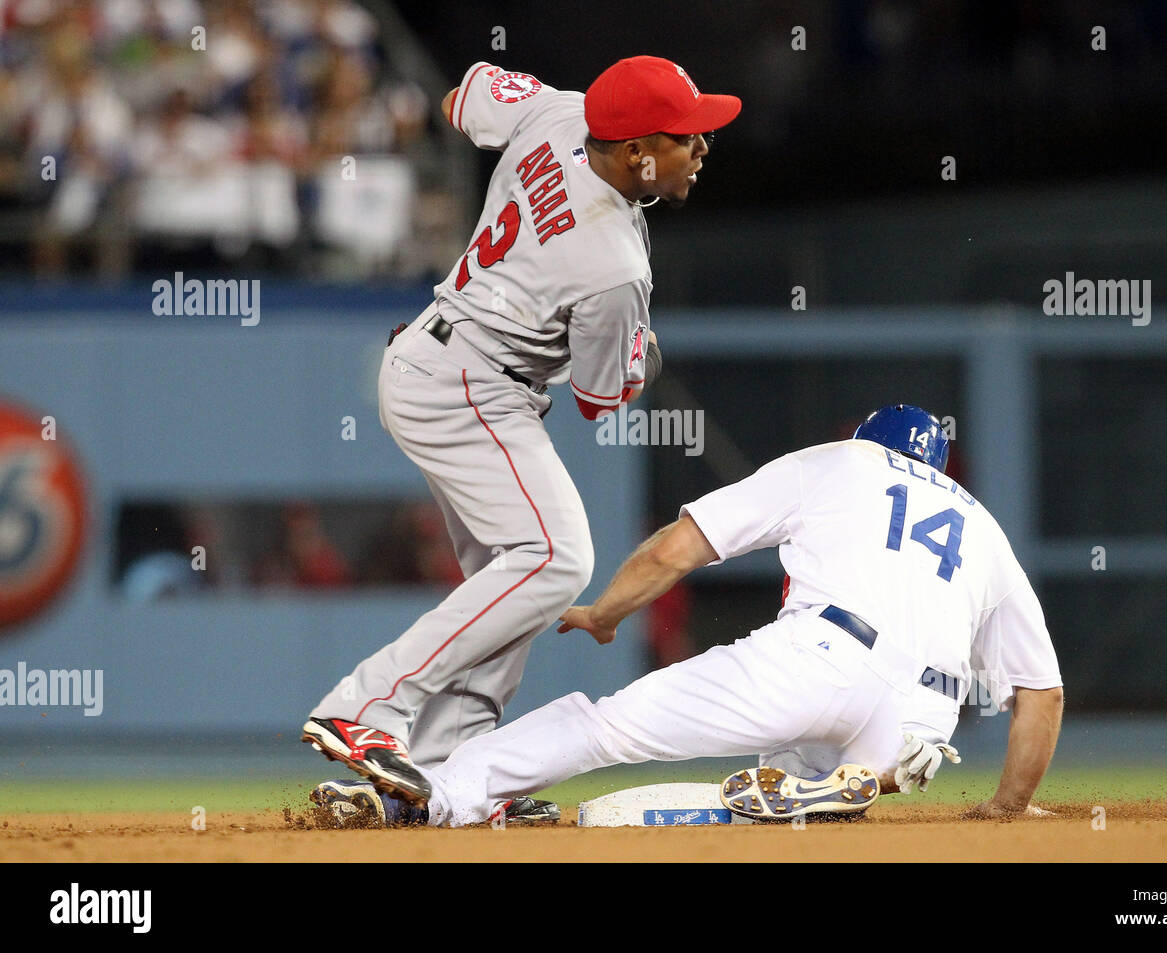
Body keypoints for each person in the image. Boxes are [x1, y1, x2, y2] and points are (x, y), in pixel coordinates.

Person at [301, 56, 742, 814]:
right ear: (637, 152)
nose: (703, 149)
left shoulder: (564, 112)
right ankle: (367, 709)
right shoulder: (613, 267)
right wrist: (638, 355)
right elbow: (603, 400)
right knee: (556, 557)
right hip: (469, 383)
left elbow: (457, 96)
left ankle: (449, 781)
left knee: (511, 588)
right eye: (687, 137)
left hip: (441, 361)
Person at [328, 404, 1065, 827]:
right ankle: (843, 784)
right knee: (791, 783)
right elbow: (1042, 693)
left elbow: (678, 549)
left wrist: (606, 612)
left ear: (867, 436)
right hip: (922, 721)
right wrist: (1007, 806)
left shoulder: (841, 461)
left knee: (603, 724)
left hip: (823, 657)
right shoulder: (985, 530)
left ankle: (438, 797)